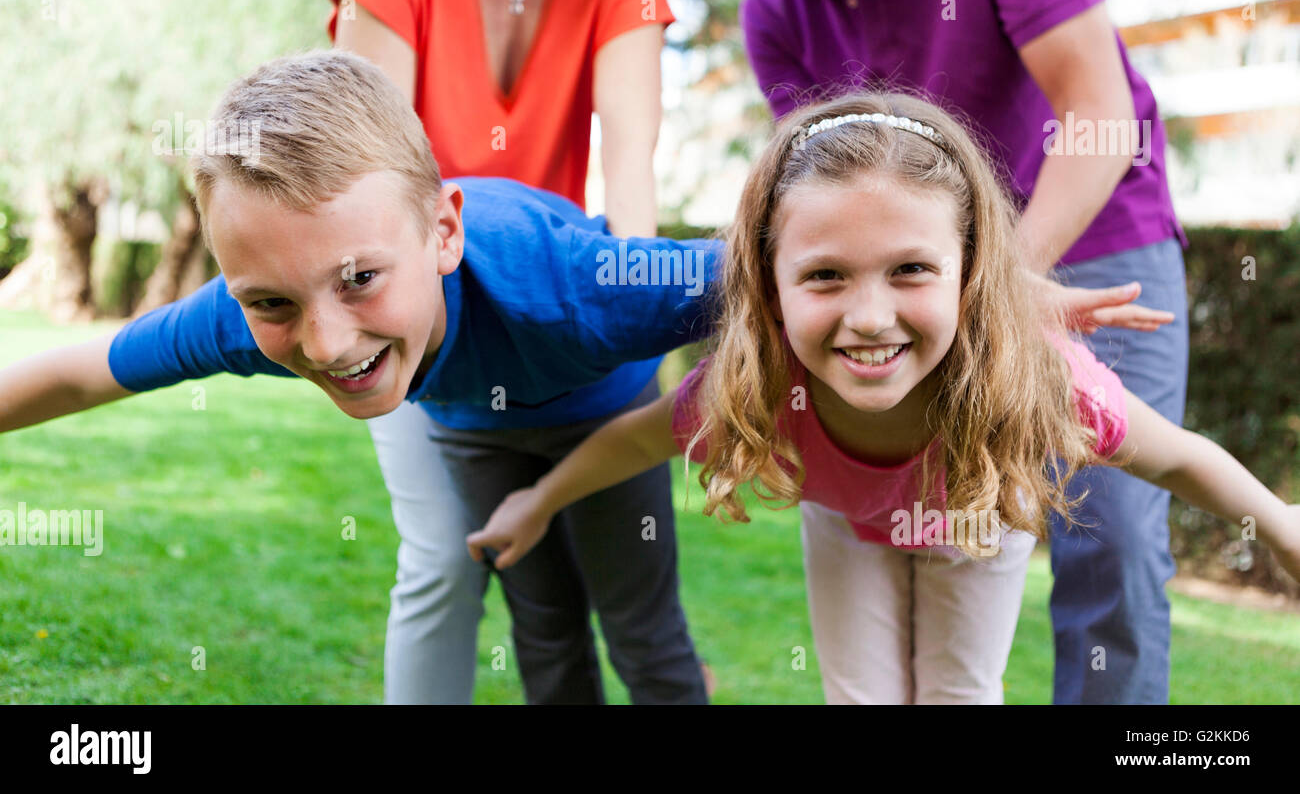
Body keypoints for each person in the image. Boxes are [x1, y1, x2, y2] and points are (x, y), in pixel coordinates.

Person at [0, 53, 1169, 703]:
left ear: (444, 232)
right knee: (539, 622)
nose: (320, 338)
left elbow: (793, 267)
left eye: (360, 276)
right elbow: (70, 373)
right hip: (457, 418)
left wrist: (993, 297)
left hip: (600, 406)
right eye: (271, 304)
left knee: (640, 624)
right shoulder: (262, 300)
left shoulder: (588, 282)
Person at [466, 92, 1300, 704]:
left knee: (956, 694)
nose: (870, 318)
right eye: (825, 276)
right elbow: (637, 440)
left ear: (971, 275)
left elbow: (1184, 460)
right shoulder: (764, 385)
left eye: (910, 269)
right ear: (769, 283)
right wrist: (539, 501)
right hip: (848, 525)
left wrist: (1287, 532)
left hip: (976, 510)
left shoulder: (1036, 380)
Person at [714, 0, 1190, 704]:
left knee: (1110, 537)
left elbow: (1096, 113)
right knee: (932, 510)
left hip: (1093, 234)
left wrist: (996, 285)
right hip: (915, 286)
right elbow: (809, 191)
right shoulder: (772, 2)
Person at [325, 0, 679, 702]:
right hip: (419, 322)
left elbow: (631, 170)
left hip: (542, 313)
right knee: (450, 559)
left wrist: (644, 332)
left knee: (625, 609)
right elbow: (373, 176)